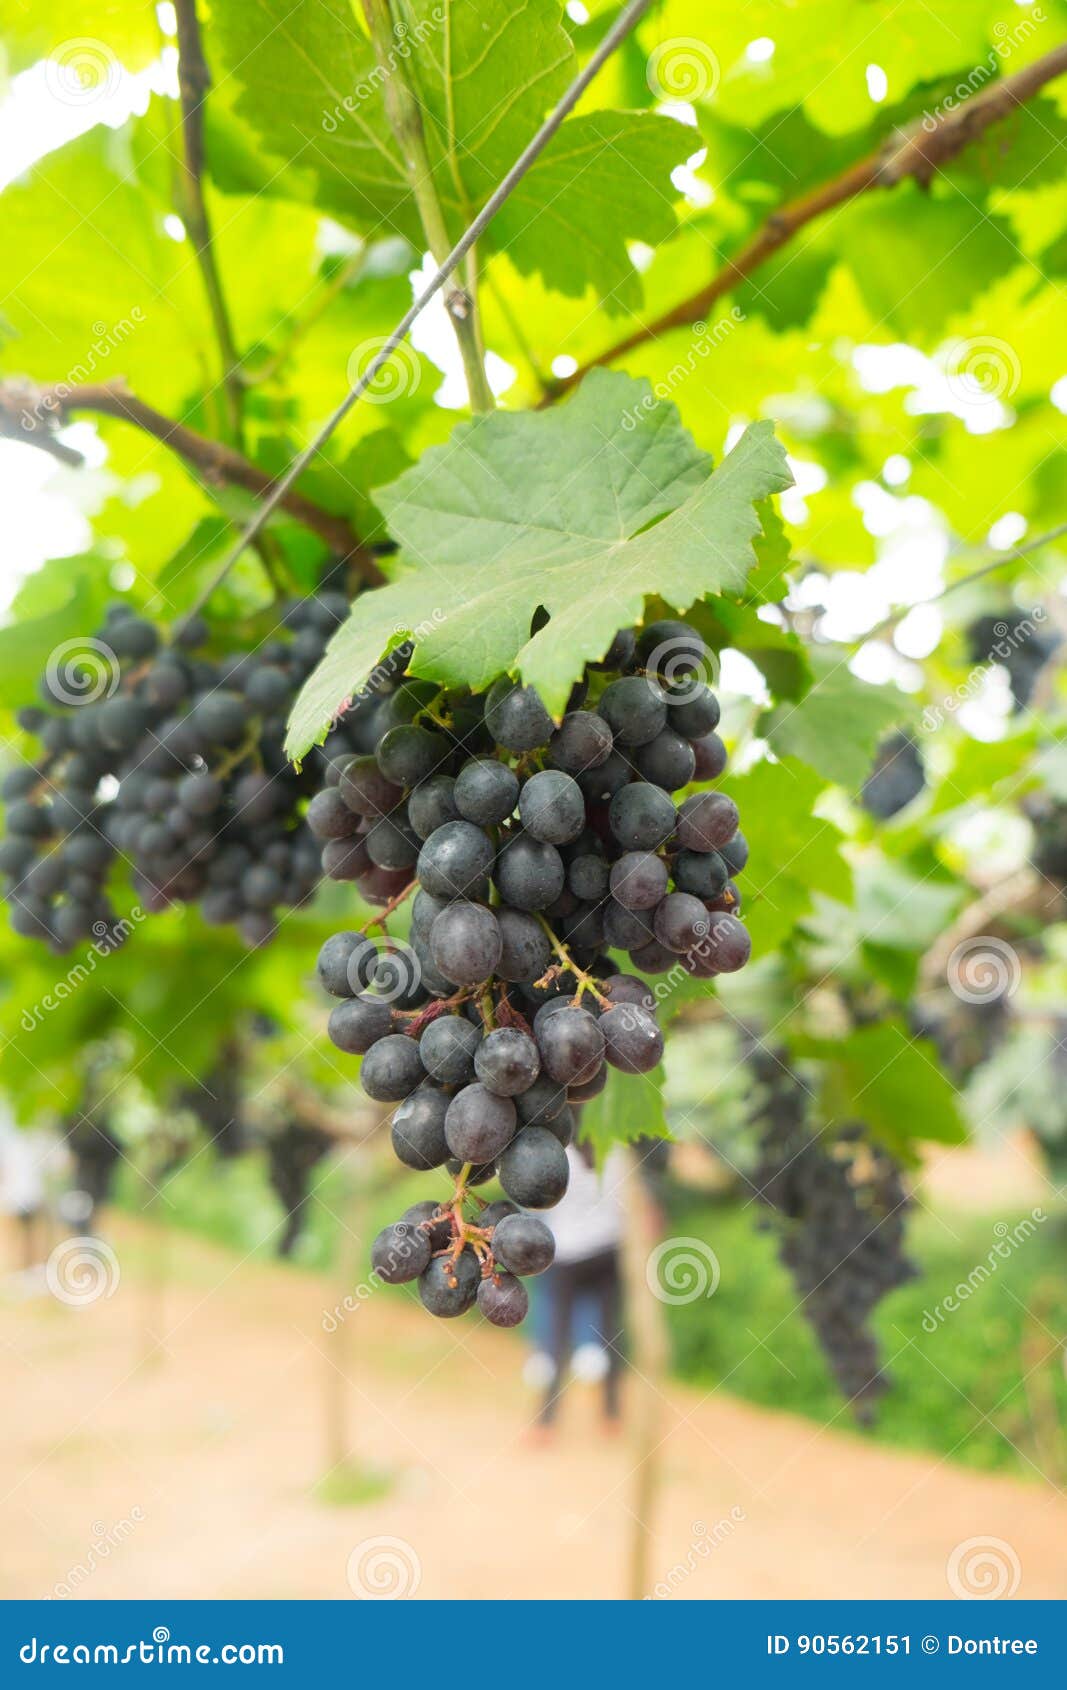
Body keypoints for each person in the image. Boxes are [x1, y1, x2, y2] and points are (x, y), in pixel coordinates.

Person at [533, 1140, 628, 1433]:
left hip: (568, 1254)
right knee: (611, 1335)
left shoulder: (557, 1157)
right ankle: (611, 1415)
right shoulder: (614, 1153)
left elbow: (538, 1201)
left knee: (557, 1338)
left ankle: (547, 1422)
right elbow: (626, 1205)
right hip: (604, 1251)